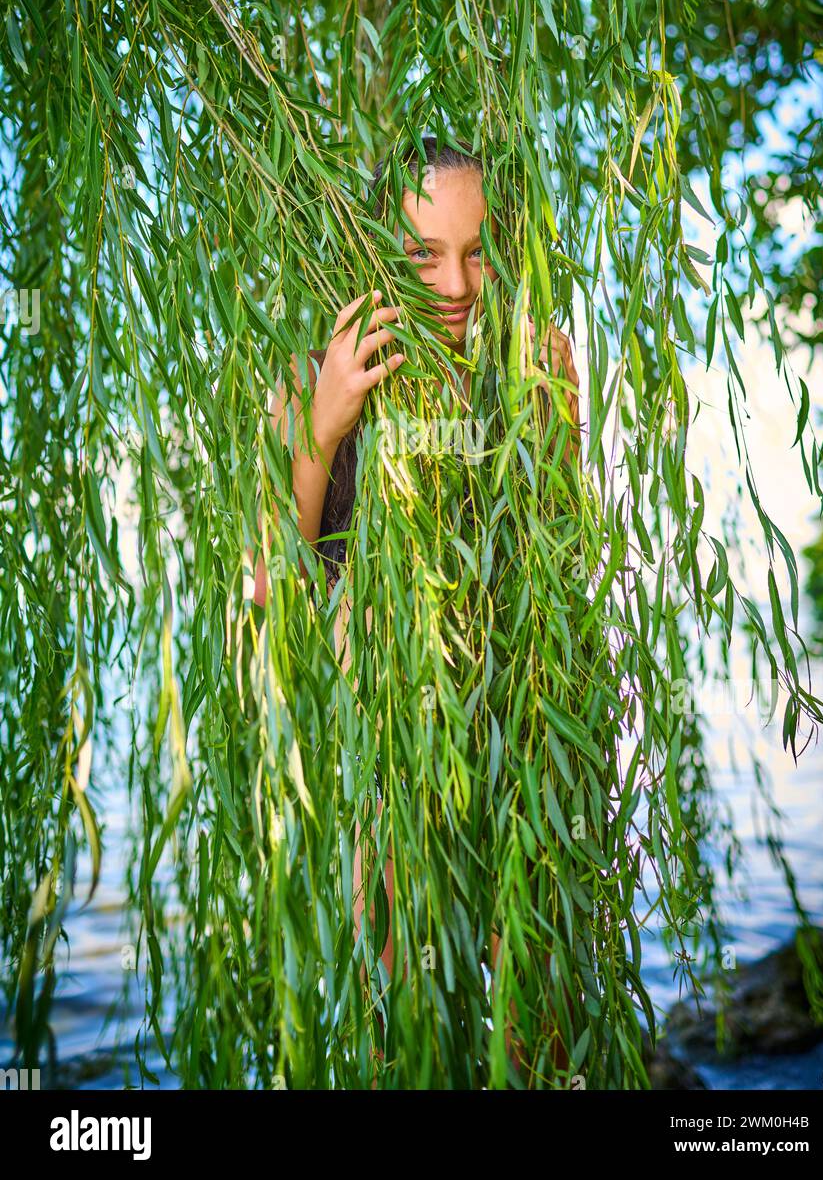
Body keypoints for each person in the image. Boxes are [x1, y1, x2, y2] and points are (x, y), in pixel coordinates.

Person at [253, 136, 581, 1079]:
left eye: (476, 252)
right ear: (372, 252)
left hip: (517, 751)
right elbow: (271, 590)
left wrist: (556, 421)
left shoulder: (517, 369)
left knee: (541, 1016)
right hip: (390, 762)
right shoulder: (323, 372)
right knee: (399, 1009)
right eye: (423, 256)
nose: (456, 282)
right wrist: (322, 424)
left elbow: (556, 577)